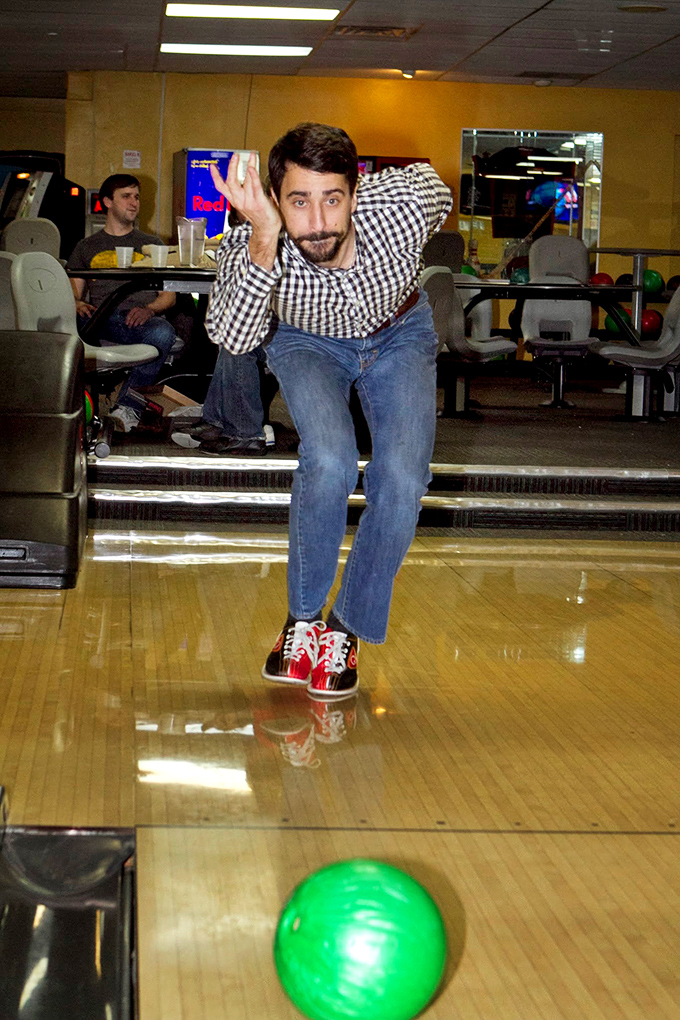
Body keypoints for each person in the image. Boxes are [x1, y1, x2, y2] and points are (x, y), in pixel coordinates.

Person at [205, 123, 452, 699]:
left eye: (332, 198)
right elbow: (234, 339)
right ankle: (303, 620)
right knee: (332, 458)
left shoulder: (399, 206)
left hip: (399, 334)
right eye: (298, 201)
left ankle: (344, 629)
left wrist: (428, 205)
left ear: (354, 193)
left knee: (402, 476)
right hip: (305, 341)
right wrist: (264, 237)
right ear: (275, 199)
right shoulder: (251, 243)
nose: (317, 222)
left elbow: (435, 184)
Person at [67, 173, 177, 432]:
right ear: (107, 201)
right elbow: (72, 294)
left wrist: (149, 309)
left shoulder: (152, 244)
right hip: (102, 318)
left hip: (143, 320)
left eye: (137, 197)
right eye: (126, 196)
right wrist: (76, 304)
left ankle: (127, 407)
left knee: (163, 332)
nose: (134, 202)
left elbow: (169, 297)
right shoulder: (87, 247)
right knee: (63, 325)